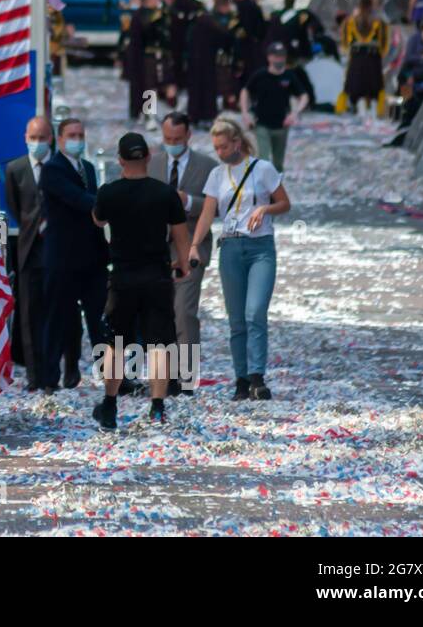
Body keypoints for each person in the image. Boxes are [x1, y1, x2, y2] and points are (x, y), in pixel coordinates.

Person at [90, 132, 192, 427]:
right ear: (148, 156)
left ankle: (109, 405)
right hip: (157, 276)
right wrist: (184, 265)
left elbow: (98, 220)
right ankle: (157, 407)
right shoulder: (165, 193)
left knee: (116, 343)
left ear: (120, 160)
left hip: (122, 277)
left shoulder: (109, 193)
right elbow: (180, 235)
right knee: (159, 343)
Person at [189, 116, 291, 400]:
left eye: (223, 146)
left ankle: (257, 375)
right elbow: (208, 213)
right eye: (216, 148)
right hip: (231, 247)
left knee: (255, 312)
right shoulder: (217, 176)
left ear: (237, 142)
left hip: (260, 247)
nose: (220, 153)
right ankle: (241, 379)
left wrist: (265, 210)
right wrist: (195, 245)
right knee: (237, 319)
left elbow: (285, 202)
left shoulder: (263, 169)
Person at [37, 117, 109, 390]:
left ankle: (111, 375)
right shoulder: (52, 170)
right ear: (60, 137)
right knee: (58, 318)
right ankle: (49, 378)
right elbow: (77, 199)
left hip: (91, 258)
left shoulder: (88, 168)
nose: (77, 139)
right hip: (62, 258)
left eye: (80, 134)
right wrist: (108, 204)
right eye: (72, 134)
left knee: (99, 319)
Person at [147, 112, 215, 394]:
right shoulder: (152, 163)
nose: (172, 143)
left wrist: (189, 202)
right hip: (156, 249)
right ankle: (163, 378)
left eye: (177, 139)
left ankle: (186, 378)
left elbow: (217, 206)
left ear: (188, 136)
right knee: (159, 312)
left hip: (190, 247)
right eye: (167, 139)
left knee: (184, 312)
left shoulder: (207, 166)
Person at [5, 115, 53, 389]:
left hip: (56, 252)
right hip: (29, 251)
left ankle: (51, 374)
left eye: (42, 138)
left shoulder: (59, 168)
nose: (37, 143)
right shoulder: (16, 169)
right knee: (29, 315)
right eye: (32, 138)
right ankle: (34, 375)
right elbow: (14, 205)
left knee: (53, 315)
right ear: (25, 138)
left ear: (50, 139)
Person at [241, 42, 308, 171]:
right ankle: (262, 190)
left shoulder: (289, 76)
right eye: (276, 56)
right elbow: (245, 91)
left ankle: (277, 189)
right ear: (269, 57)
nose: (279, 59)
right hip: (261, 124)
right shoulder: (260, 75)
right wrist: (245, 113)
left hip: (281, 125)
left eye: (282, 56)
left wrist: (295, 113)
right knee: (263, 161)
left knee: (278, 164)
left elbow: (304, 96)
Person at [337, 0, 390, 120]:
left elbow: (345, 44)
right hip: (373, 59)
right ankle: (374, 112)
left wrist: (349, 52)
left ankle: (359, 110)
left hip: (357, 58)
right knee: (374, 87)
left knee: (356, 86)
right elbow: (384, 45)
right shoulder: (380, 23)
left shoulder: (350, 22)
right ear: (371, 7)